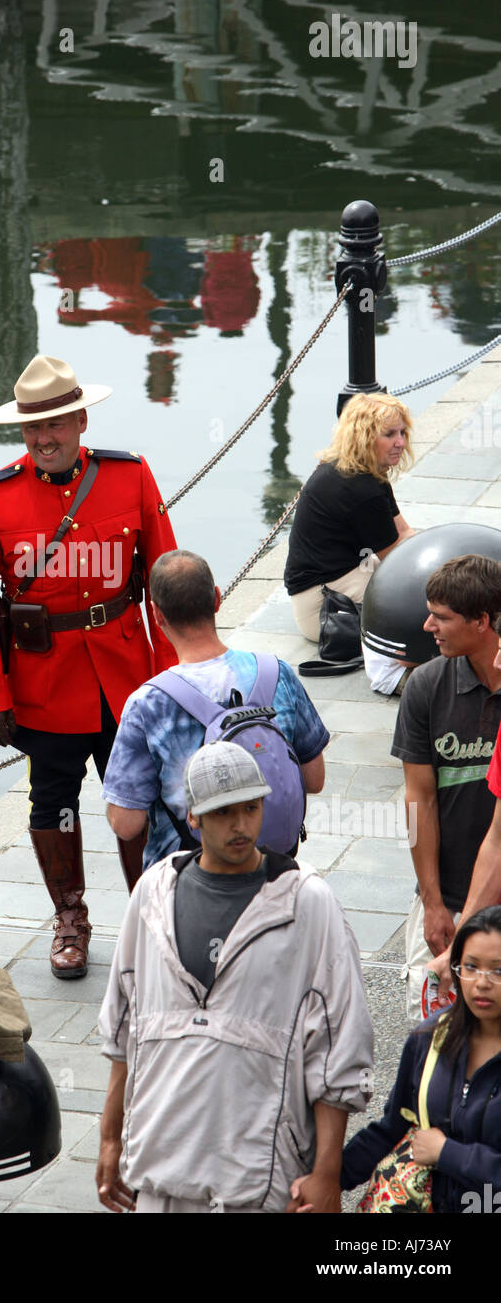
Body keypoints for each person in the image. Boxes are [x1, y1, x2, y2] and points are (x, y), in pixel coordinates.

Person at [0, 354, 177, 979]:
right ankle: (70, 918)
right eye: (32, 428)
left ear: (80, 419)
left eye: (55, 424)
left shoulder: (129, 477)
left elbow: (166, 579)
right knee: (53, 802)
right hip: (44, 683)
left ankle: (151, 914)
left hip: (127, 675)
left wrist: (181, 672)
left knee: (142, 796)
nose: (45, 438)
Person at [96, 739, 374, 1214]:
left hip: (261, 1181)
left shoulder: (307, 903)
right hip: (159, 1173)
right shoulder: (152, 894)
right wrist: (108, 1140)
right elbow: (125, 1031)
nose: (241, 825)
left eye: (251, 808)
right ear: (193, 817)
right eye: (224, 813)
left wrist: (327, 1173)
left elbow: (337, 1048)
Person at [102, 549, 328, 884]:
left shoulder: (148, 703)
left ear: (156, 615)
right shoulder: (276, 673)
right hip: (276, 873)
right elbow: (314, 779)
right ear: (218, 599)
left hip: (189, 883)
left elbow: (126, 824)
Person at [393, 555, 501, 1025]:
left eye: (441, 616)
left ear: (482, 621)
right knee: (431, 1035)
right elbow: (419, 799)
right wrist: (433, 905)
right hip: (449, 896)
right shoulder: (427, 685)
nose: (428, 625)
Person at [341, 906, 501, 1213]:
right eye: (471, 967)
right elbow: (393, 1126)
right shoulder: (430, 1037)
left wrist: (447, 1153)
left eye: (498, 970)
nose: (482, 982)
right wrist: (326, 1177)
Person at [284, 393, 415, 692]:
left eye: (402, 432)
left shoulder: (363, 472)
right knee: (422, 601)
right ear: (366, 438)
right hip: (323, 605)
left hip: (337, 580)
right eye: (390, 434)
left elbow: (404, 533)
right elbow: (398, 556)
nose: (401, 442)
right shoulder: (360, 488)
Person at [428, 613, 501, 999]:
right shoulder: (426, 686)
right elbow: (499, 841)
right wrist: (461, 933)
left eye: (441, 615)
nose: (499, 662)